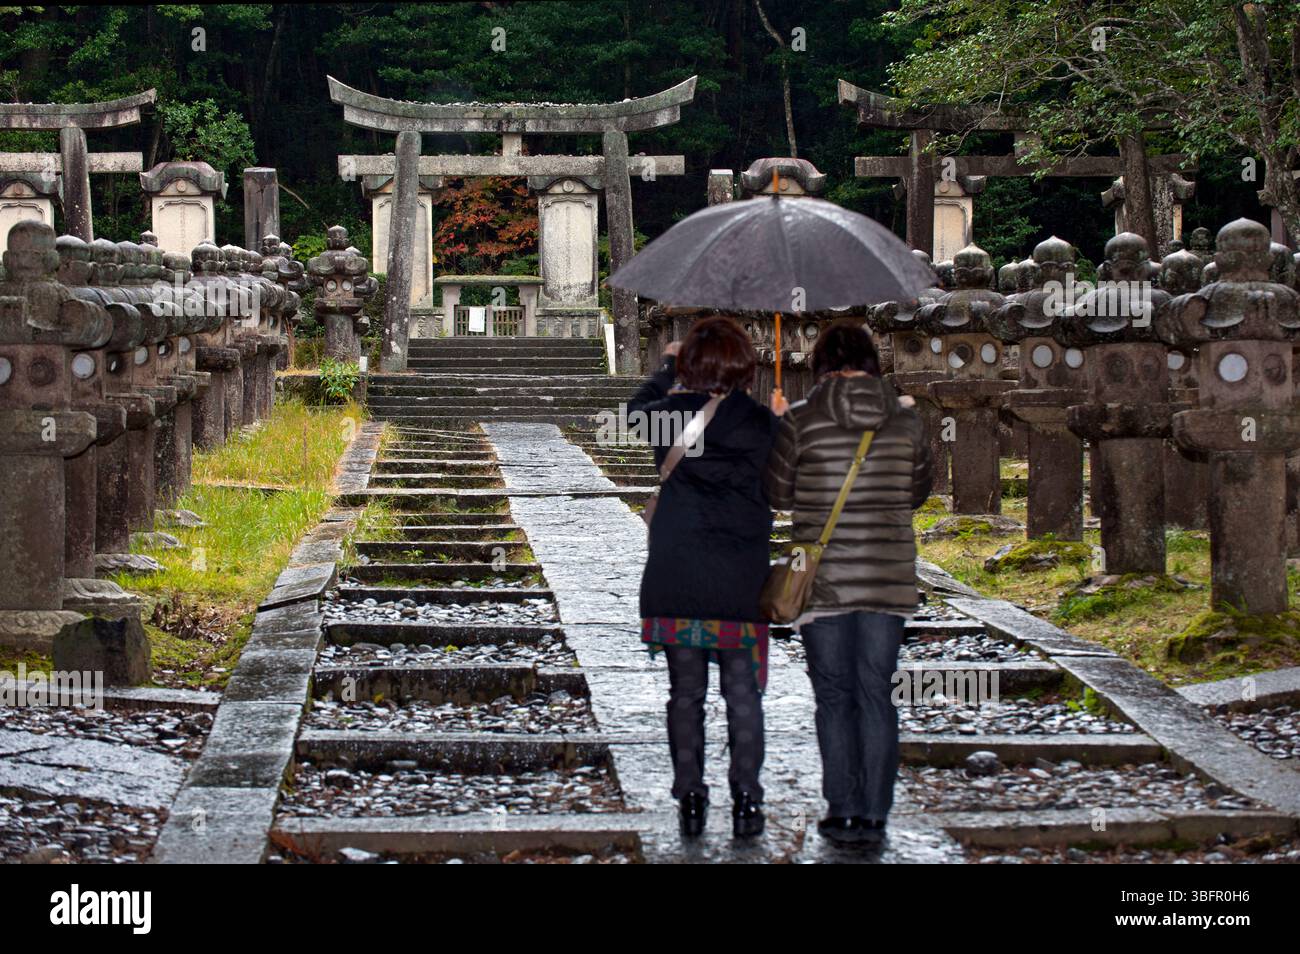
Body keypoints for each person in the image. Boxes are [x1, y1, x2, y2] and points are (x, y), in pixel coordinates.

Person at [764, 320, 933, 845]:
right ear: (872, 362)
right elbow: (918, 493)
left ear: (820, 364)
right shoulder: (907, 421)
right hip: (888, 580)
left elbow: (778, 495)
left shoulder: (801, 418)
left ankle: (842, 809)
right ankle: (876, 812)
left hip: (823, 581)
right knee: (876, 693)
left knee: (833, 696)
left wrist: (778, 429)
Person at [629, 315, 786, 839]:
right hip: (740, 579)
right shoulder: (760, 423)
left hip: (678, 572)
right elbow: (786, 490)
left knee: (685, 693)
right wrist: (782, 425)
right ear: (744, 365)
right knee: (744, 695)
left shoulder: (668, 416)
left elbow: (632, 412)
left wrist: (666, 367)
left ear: (692, 365)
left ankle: (690, 795)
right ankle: (747, 798)